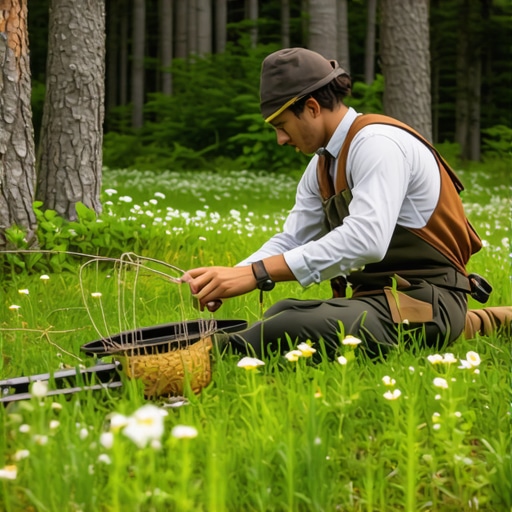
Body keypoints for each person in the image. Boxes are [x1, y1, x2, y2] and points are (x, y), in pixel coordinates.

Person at [181, 47, 512, 358]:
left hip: (427, 299)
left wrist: (258, 274)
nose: (281, 139)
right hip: (384, 301)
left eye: (282, 126)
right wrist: (229, 277)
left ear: (311, 107)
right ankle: (490, 321)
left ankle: (202, 354)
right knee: (284, 312)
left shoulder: (378, 144)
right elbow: (294, 238)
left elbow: (367, 241)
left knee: (283, 329)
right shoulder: (323, 164)